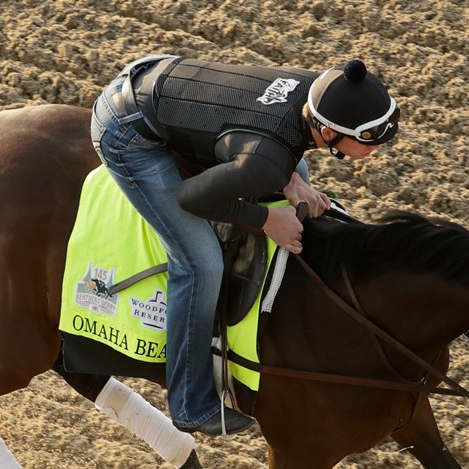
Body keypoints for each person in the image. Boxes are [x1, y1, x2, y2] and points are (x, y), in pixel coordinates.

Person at [90, 56, 399, 437]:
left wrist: (291, 179)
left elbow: (272, 128)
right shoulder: (266, 161)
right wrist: (267, 221)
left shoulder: (316, 88)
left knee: (296, 171)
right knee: (201, 264)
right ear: (330, 133)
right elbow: (191, 199)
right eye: (367, 140)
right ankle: (190, 403)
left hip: (161, 79)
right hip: (126, 130)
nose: (376, 149)